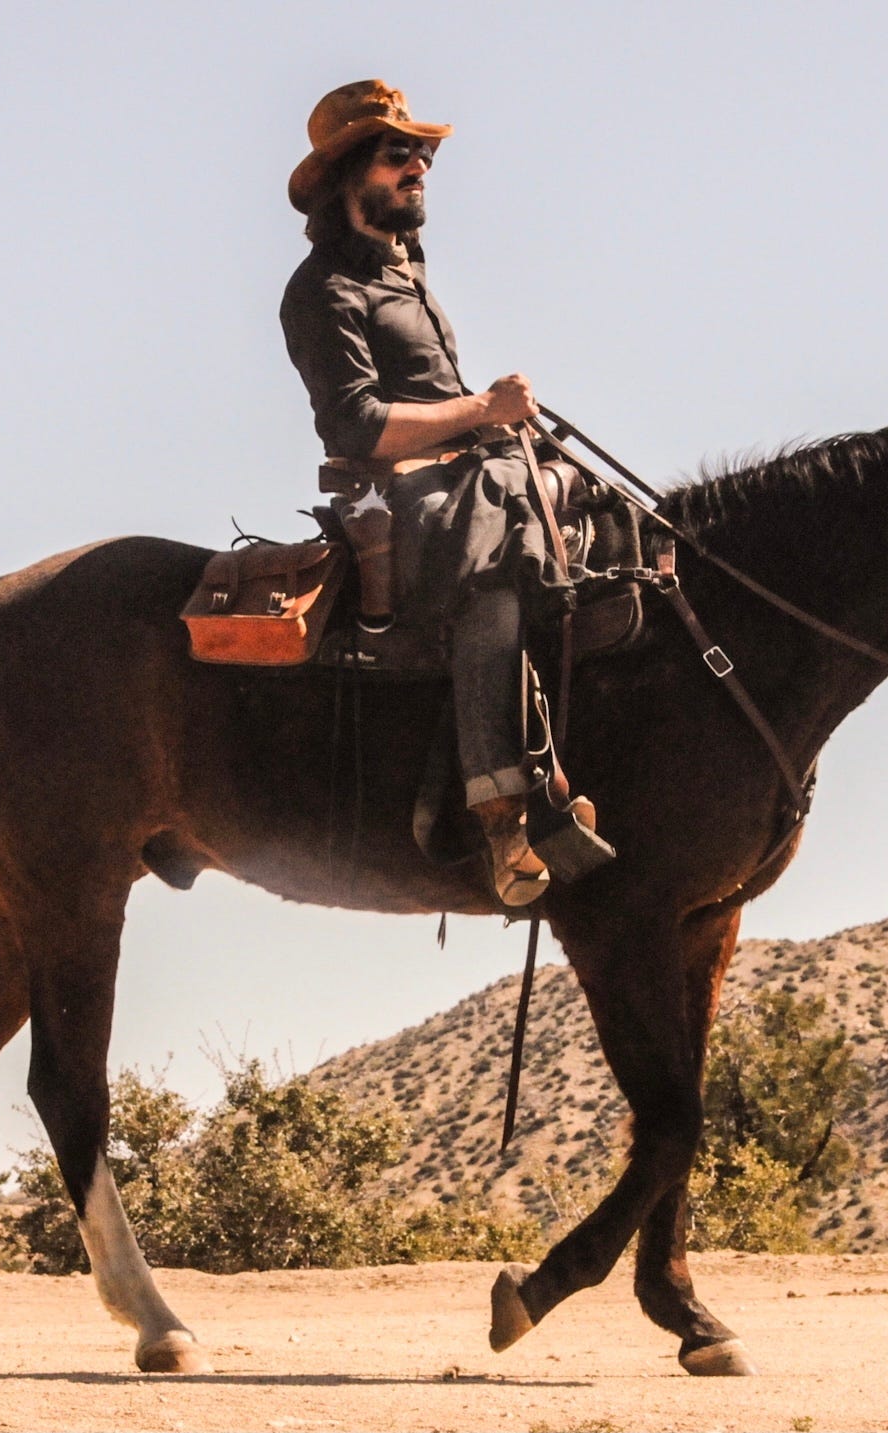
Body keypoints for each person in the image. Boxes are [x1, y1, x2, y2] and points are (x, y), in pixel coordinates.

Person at [280, 79, 584, 906]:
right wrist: (485, 410)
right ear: (350, 176)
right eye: (399, 152)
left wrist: (506, 428)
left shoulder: (406, 273)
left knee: (581, 503)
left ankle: (569, 762)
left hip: (465, 472)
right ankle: (501, 816)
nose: (420, 166)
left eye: (426, 153)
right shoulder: (322, 292)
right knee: (491, 559)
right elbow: (356, 426)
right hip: (393, 497)